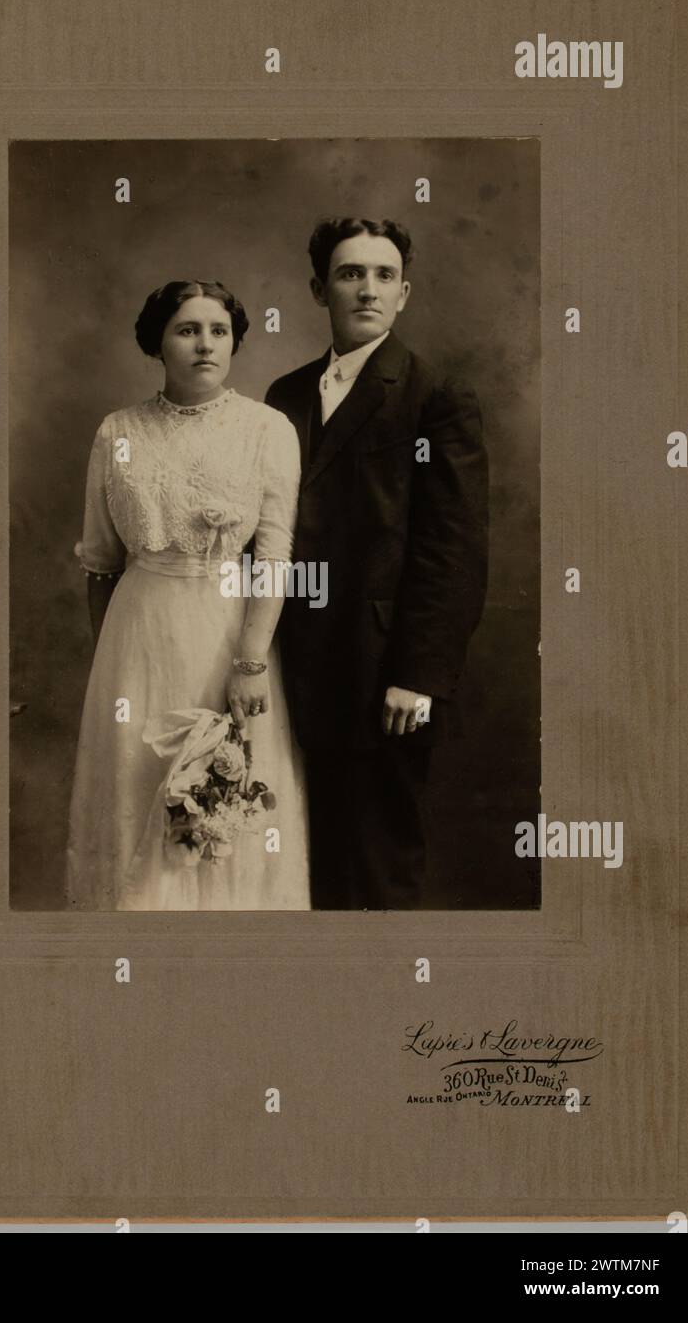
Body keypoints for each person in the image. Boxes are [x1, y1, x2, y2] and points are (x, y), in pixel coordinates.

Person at [265, 217, 489, 910]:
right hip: (288, 666)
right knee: (304, 861)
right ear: (317, 289)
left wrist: (418, 676)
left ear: (405, 293)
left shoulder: (434, 394)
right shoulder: (285, 396)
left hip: (379, 675)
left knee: (377, 865)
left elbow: (453, 548)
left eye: (383, 276)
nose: (367, 289)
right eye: (349, 274)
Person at [66, 279, 310, 911]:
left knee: (222, 798)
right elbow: (99, 562)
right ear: (158, 342)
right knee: (136, 789)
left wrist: (251, 660)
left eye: (219, 331)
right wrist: (112, 662)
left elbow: (275, 555)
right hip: (137, 636)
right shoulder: (116, 431)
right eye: (188, 330)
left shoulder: (268, 429)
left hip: (228, 634)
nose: (206, 345)